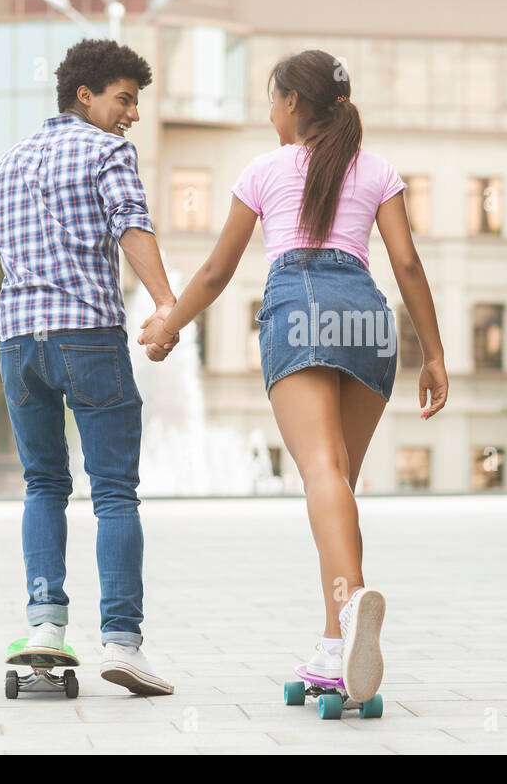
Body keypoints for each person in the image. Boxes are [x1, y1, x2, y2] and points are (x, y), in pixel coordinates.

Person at [137, 49, 448, 702]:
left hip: (302, 308)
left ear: (293, 105)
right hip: (367, 315)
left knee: (321, 476)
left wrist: (168, 323)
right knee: (338, 480)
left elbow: (218, 272)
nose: (268, 110)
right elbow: (408, 265)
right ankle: (337, 637)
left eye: (272, 99)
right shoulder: (378, 171)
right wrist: (436, 354)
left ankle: (342, 630)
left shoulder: (263, 171)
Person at [0, 39, 179, 696]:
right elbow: (131, 222)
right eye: (125, 99)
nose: (132, 115)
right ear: (84, 96)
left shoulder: (5, 166)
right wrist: (167, 301)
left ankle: (45, 627)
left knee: (43, 484)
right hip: (86, 334)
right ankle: (122, 642)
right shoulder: (106, 151)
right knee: (115, 489)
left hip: (18, 348)